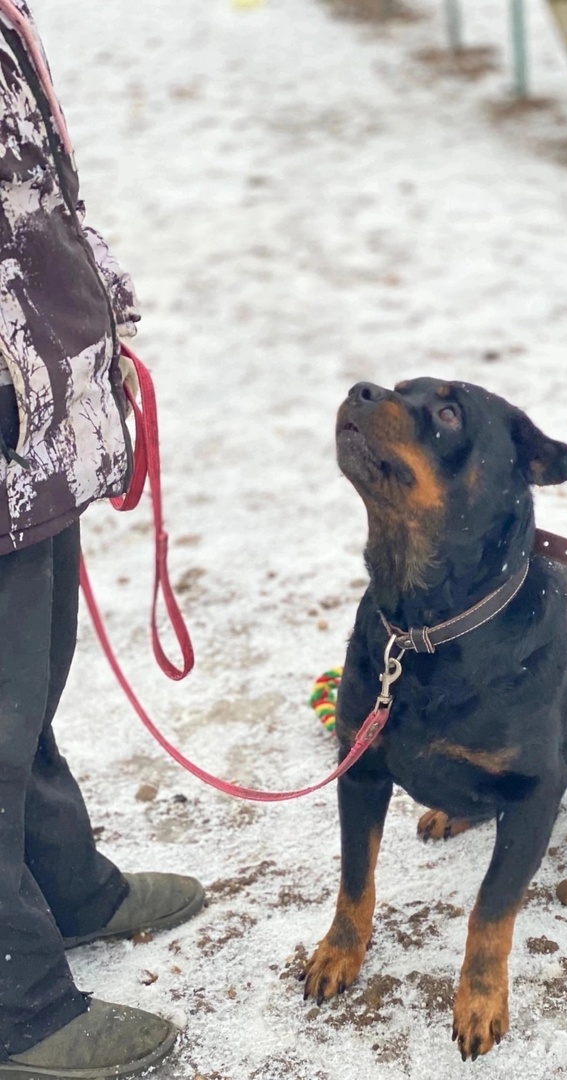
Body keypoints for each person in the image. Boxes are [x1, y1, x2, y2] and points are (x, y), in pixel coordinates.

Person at [0, 2, 205, 1076]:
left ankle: (67, 889)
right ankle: (17, 1005)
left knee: (24, 691)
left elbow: (38, 197)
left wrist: (96, 320)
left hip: (42, 421)